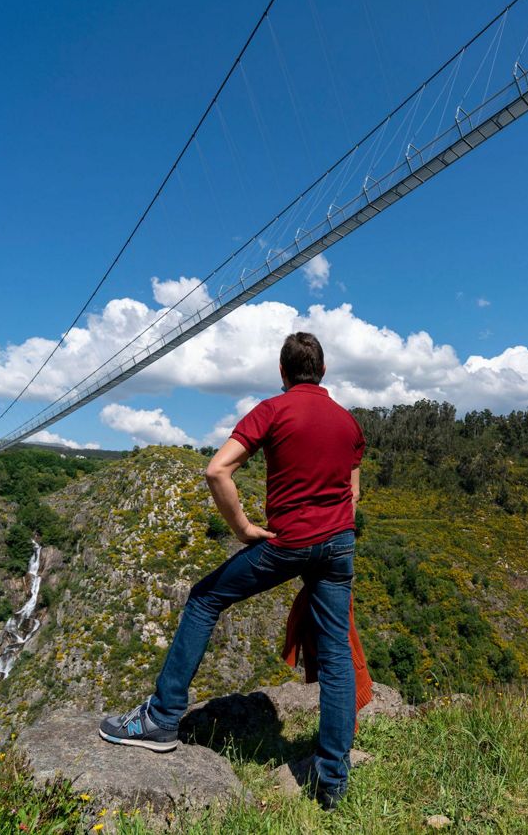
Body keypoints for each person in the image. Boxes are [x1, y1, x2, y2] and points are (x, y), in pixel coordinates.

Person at [99, 332, 365, 808]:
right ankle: (332, 782)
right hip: (339, 545)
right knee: (336, 655)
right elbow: (353, 492)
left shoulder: (274, 410)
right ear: (323, 372)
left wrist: (242, 527)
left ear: (282, 373)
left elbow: (217, 470)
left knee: (204, 599)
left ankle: (161, 718)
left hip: (289, 542)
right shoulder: (348, 423)